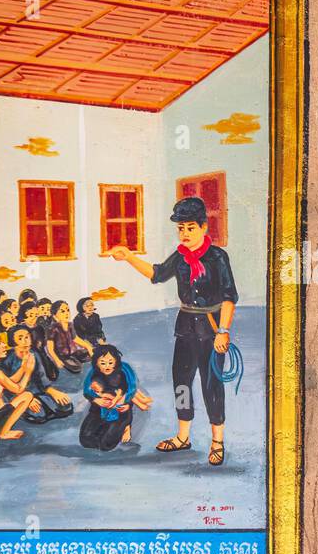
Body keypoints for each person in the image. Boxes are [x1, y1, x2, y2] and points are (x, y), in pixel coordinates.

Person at [107, 196, 235, 466]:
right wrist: (129, 256)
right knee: (181, 382)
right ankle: (183, 436)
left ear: (203, 227)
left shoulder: (218, 257)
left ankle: (217, 441)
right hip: (186, 328)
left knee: (212, 385)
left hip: (212, 330)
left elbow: (228, 297)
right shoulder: (180, 257)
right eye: (180, 228)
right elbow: (156, 274)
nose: (185, 233)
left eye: (190, 227)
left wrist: (223, 331)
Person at [79, 345, 153, 450]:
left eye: (110, 362)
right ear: (97, 363)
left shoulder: (124, 369)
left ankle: (125, 426)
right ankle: (106, 428)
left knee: (106, 445)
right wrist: (96, 400)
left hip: (120, 413)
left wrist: (123, 400)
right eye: (103, 363)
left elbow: (132, 388)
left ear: (116, 361)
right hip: (98, 411)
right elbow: (87, 390)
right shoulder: (93, 372)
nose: (107, 366)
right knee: (86, 442)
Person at [3, 324, 73, 423]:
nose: (25, 341)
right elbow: (6, 389)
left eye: (27, 337)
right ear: (13, 341)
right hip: (19, 395)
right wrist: (26, 399)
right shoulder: (7, 359)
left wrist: (53, 392)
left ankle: (44, 405)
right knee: (39, 416)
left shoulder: (34, 354)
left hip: (38, 392)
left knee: (66, 407)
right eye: (20, 338)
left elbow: (42, 377)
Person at [46, 300, 85, 374]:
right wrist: (56, 360)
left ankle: (76, 358)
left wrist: (88, 347)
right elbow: (50, 348)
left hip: (73, 351)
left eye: (68, 310)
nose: (67, 313)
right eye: (62, 311)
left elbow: (75, 338)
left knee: (93, 353)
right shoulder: (52, 328)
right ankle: (73, 360)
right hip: (63, 355)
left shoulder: (70, 325)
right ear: (55, 316)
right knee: (77, 368)